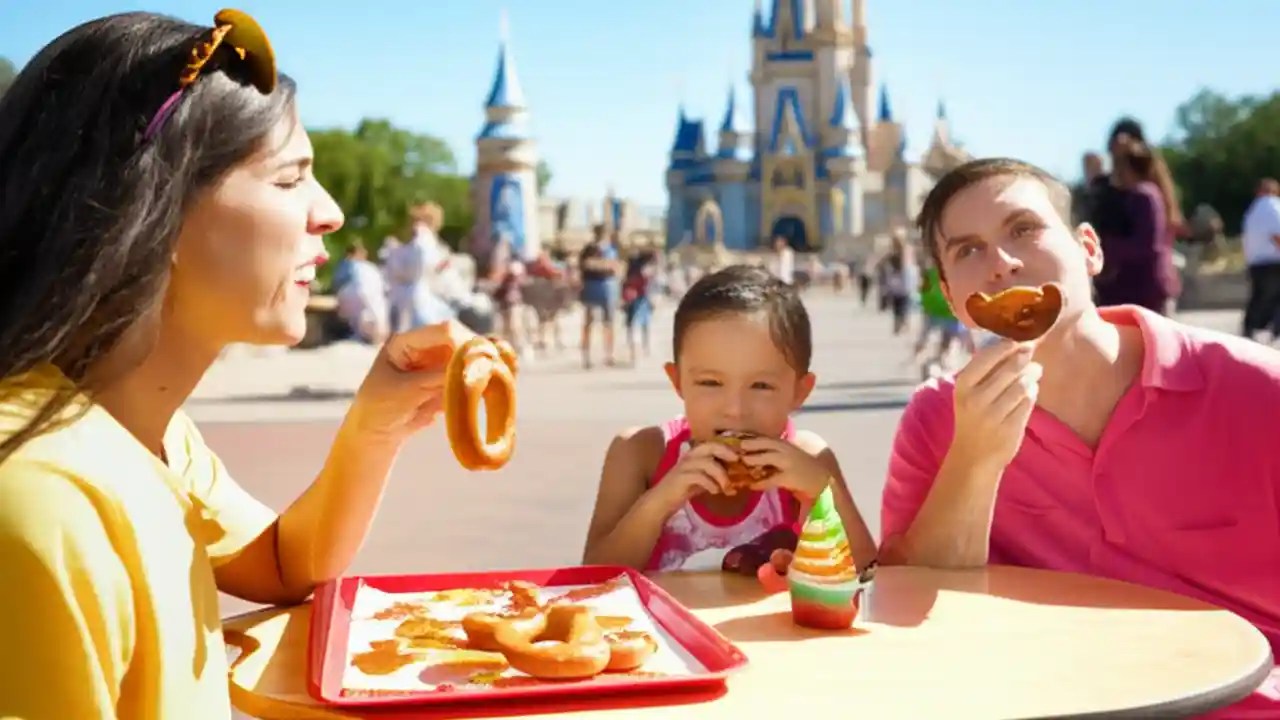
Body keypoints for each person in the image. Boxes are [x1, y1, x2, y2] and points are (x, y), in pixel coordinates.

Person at [0, 11, 474, 718]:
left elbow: (283, 564)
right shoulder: (42, 498)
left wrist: (375, 426)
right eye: (290, 182)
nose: (333, 213)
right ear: (152, 211)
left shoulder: (138, 431)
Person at [878, 158, 1279, 717]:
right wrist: (974, 459)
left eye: (1024, 229)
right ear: (949, 296)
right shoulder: (936, 421)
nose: (1002, 264)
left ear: (1088, 249)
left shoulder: (1257, 390)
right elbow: (906, 606)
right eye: (968, 250)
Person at [582, 264, 876, 574]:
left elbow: (868, 572)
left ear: (799, 392)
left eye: (761, 386)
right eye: (710, 383)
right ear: (678, 381)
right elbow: (593, 576)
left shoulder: (808, 458)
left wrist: (821, 492)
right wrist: (660, 501)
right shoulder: (641, 454)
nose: (735, 409)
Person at [578, 224, 622, 369]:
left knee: (608, 323)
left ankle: (609, 354)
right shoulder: (589, 249)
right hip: (593, 285)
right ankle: (587, 355)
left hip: (607, 286)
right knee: (590, 322)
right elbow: (586, 265)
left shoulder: (611, 250)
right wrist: (604, 265)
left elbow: (616, 267)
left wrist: (604, 265)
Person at [1241, 178, 1280, 341]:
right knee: (1274, 298)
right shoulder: (1273, 206)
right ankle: (1273, 330)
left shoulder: (1252, 211)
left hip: (1255, 262)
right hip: (1273, 261)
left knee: (1258, 297)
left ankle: (1249, 329)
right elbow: (1277, 233)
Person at [622, 249, 657, 366]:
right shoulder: (645, 272)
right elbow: (648, 287)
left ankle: (635, 353)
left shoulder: (631, 274)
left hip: (635, 300)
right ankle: (641, 351)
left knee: (633, 327)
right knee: (641, 326)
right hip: (641, 300)